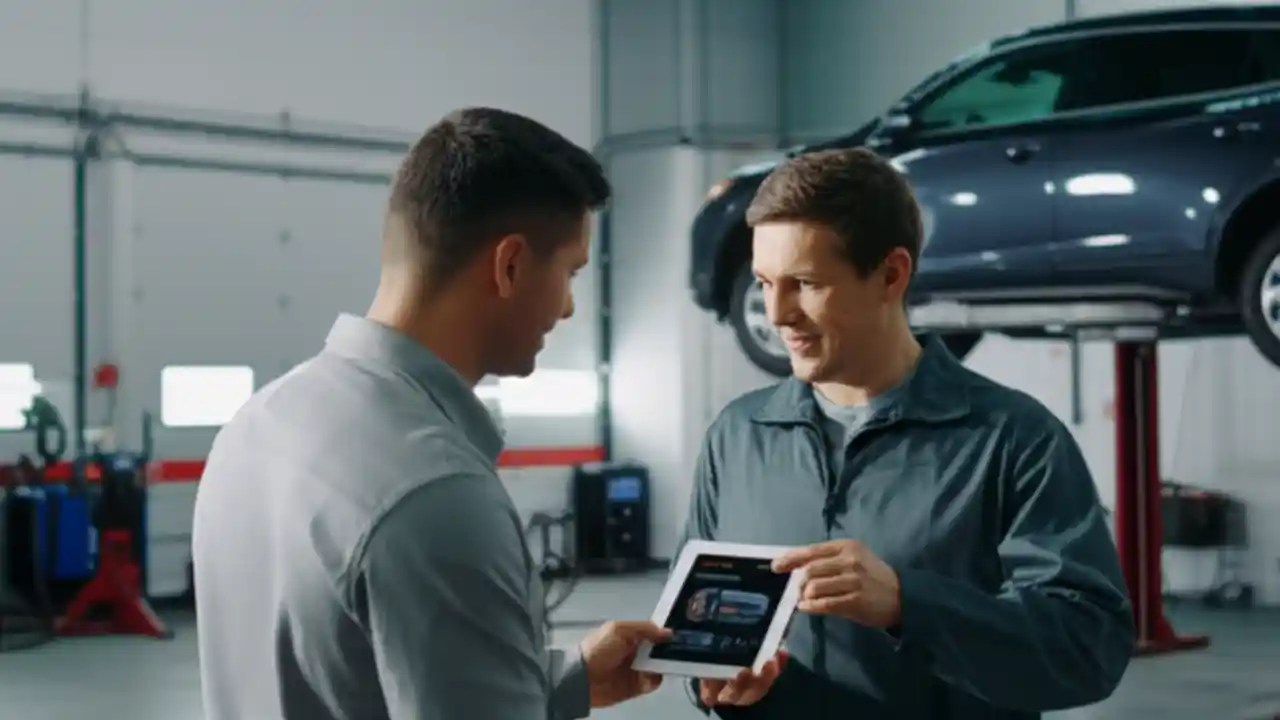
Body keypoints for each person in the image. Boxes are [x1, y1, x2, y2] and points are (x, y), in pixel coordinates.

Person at [191, 107, 675, 720]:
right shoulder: (434, 490)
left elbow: (348, 679)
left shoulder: (259, 422)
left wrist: (568, 681)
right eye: (570, 272)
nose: (571, 307)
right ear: (511, 265)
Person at [676, 147, 1136, 718]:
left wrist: (906, 604)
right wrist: (713, 681)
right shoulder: (738, 436)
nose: (777, 313)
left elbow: (1087, 649)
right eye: (766, 283)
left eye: (805, 283)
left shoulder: (1013, 440)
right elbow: (690, 634)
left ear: (891, 274)